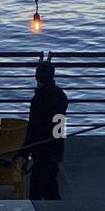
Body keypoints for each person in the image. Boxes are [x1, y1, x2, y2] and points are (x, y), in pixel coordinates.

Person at [25, 59, 69, 200]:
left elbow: (33, 127)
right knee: (49, 180)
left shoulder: (38, 99)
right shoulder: (61, 96)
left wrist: (25, 151)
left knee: (39, 187)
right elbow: (59, 124)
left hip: (41, 146)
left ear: (37, 77)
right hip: (55, 144)